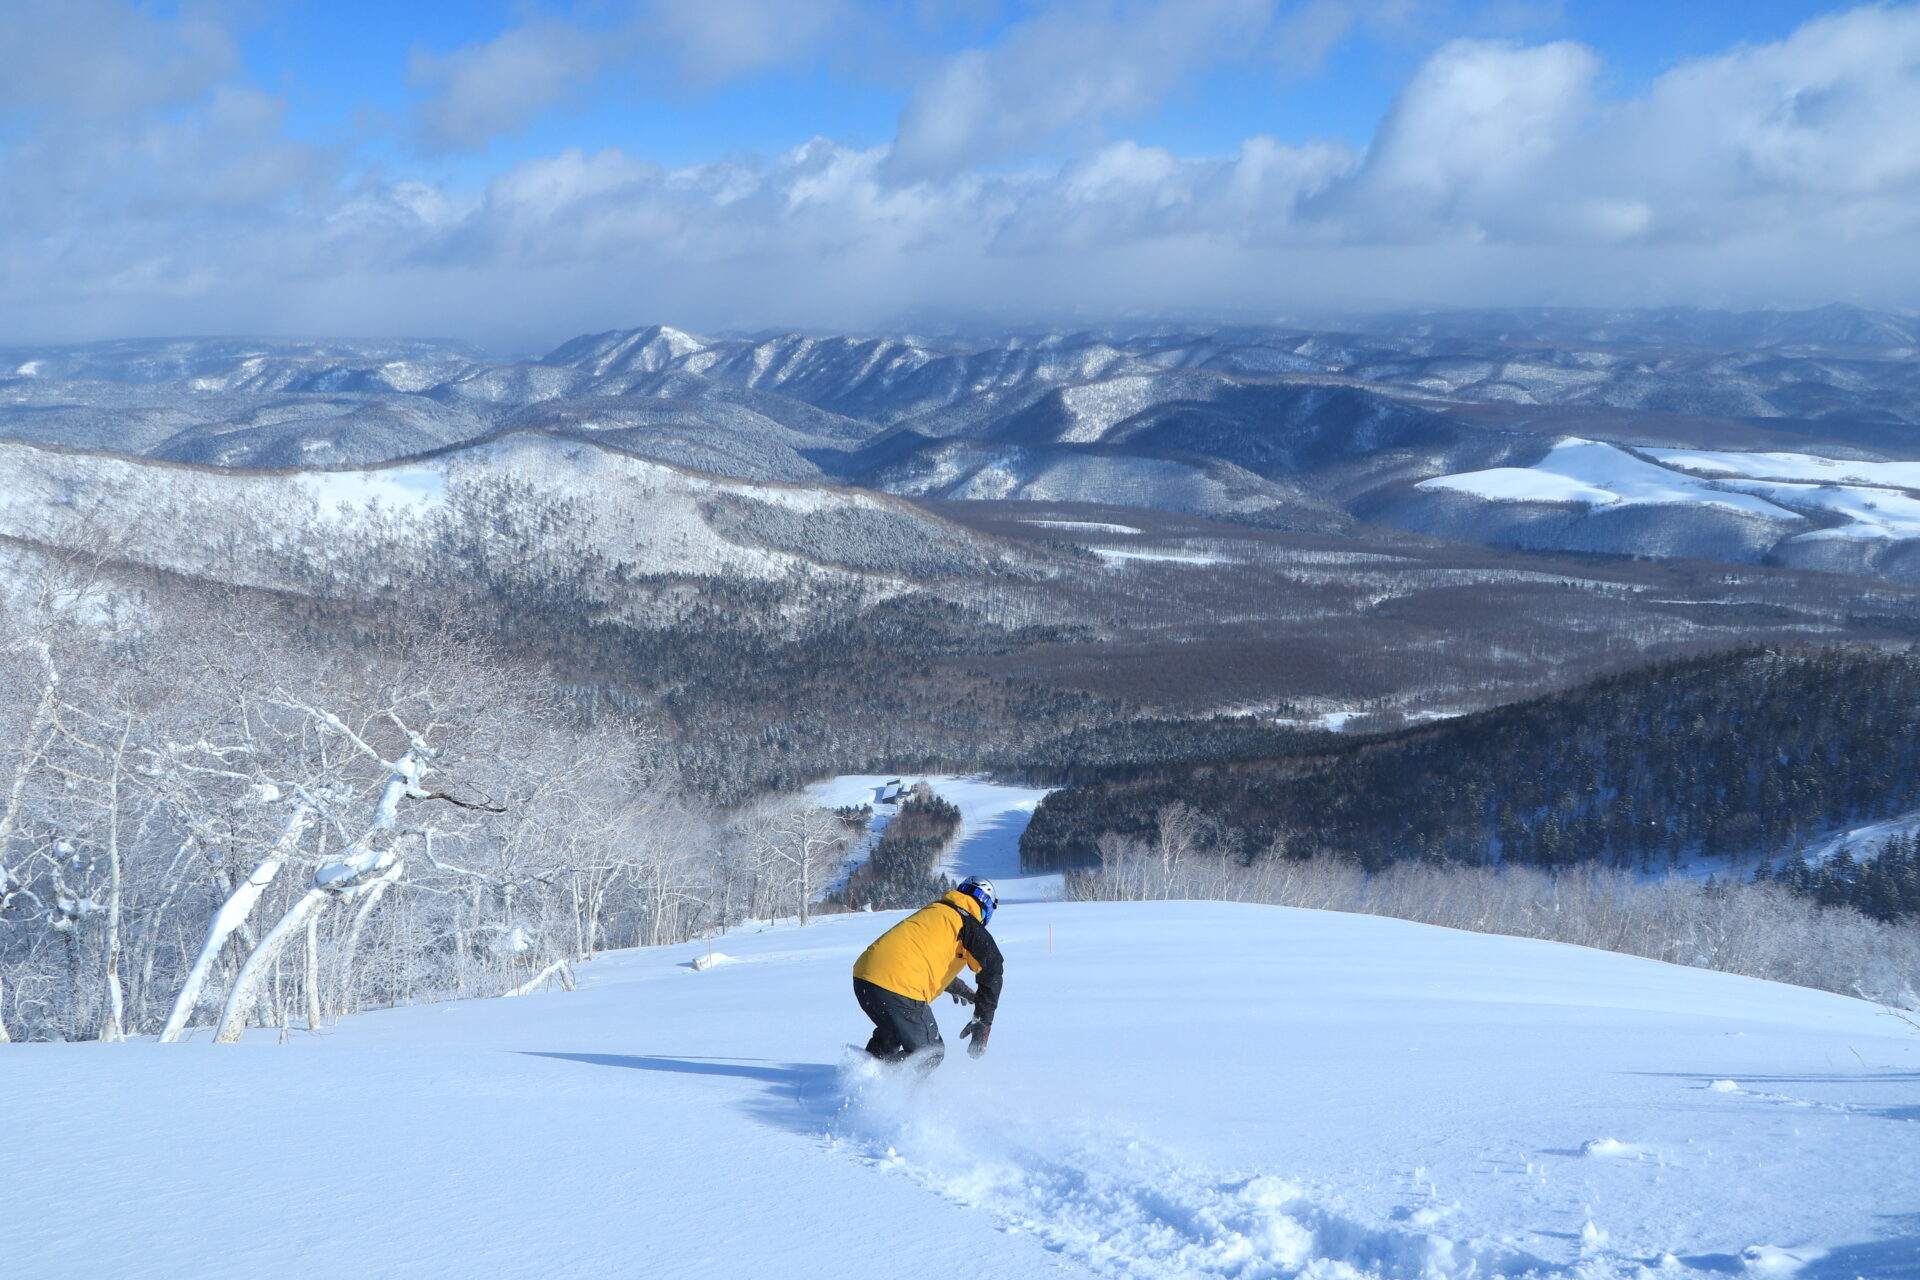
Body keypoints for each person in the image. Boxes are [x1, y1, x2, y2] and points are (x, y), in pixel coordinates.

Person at [851, 877, 1002, 1069]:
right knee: (929, 1052)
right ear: (987, 906)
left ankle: (863, 1074)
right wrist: (983, 1021)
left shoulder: (937, 911)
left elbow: (921, 958)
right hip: (898, 985)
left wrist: (959, 988)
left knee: (893, 1033)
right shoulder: (968, 924)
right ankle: (884, 1088)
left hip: (865, 978)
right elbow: (993, 968)